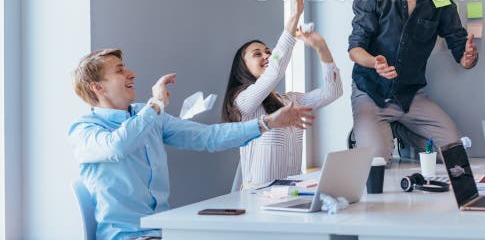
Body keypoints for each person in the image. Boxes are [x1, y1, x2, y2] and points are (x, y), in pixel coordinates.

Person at [69, 48, 313, 240]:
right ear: (98, 87)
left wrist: (267, 123)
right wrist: (155, 105)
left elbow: (207, 137)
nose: (131, 73)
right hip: (126, 237)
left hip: (165, 231)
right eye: (120, 70)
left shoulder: (146, 115)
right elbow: (117, 146)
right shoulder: (85, 131)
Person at [348, 0, 479, 162]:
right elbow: (355, 49)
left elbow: (460, 47)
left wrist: (468, 57)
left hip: (411, 96)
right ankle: (379, 134)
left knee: (454, 153)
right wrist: (374, 63)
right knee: (377, 161)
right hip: (371, 92)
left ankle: (400, 129)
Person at [221, 0, 343, 188]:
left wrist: (322, 48)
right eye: (257, 54)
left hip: (289, 197)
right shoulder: (243, 102)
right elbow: (274, 72)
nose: (267, 56)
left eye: (268, 51)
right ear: (243, 67)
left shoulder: (289, 100)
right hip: (256, 200)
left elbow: (333, 91)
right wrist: (294, 16)